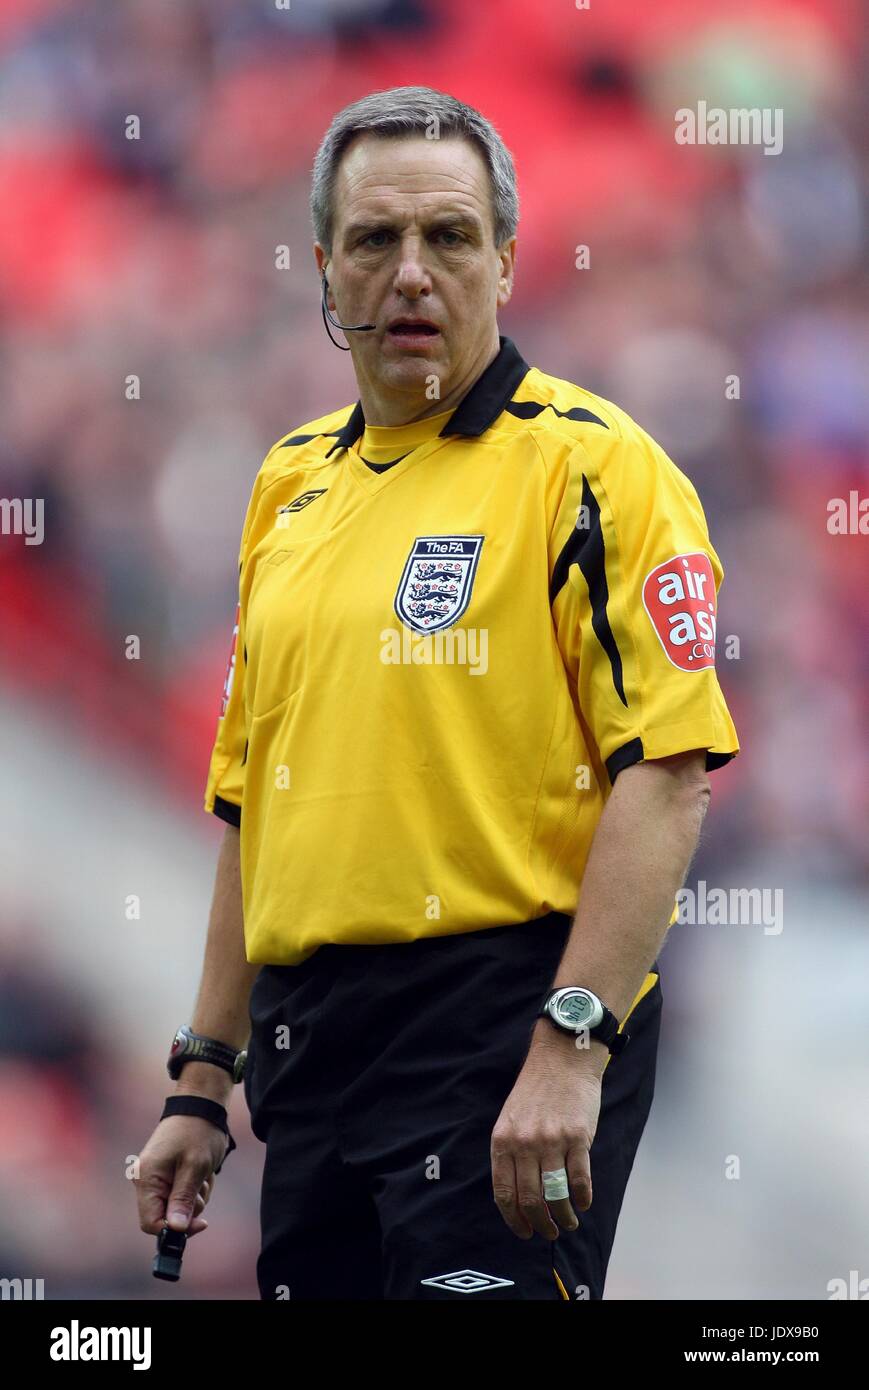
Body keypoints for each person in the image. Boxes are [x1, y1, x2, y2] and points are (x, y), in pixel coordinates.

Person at [133, 86, 739, 1300]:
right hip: (311, 1056)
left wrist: (571, 1043)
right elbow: (256, 803)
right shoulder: (286, 487)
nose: (411, 272)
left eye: (449, 238)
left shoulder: (595, 467)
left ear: (506, 261)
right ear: (324, 267)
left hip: (497, 1030)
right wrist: (202, 1077)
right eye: (375, 240)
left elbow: (666, 776)